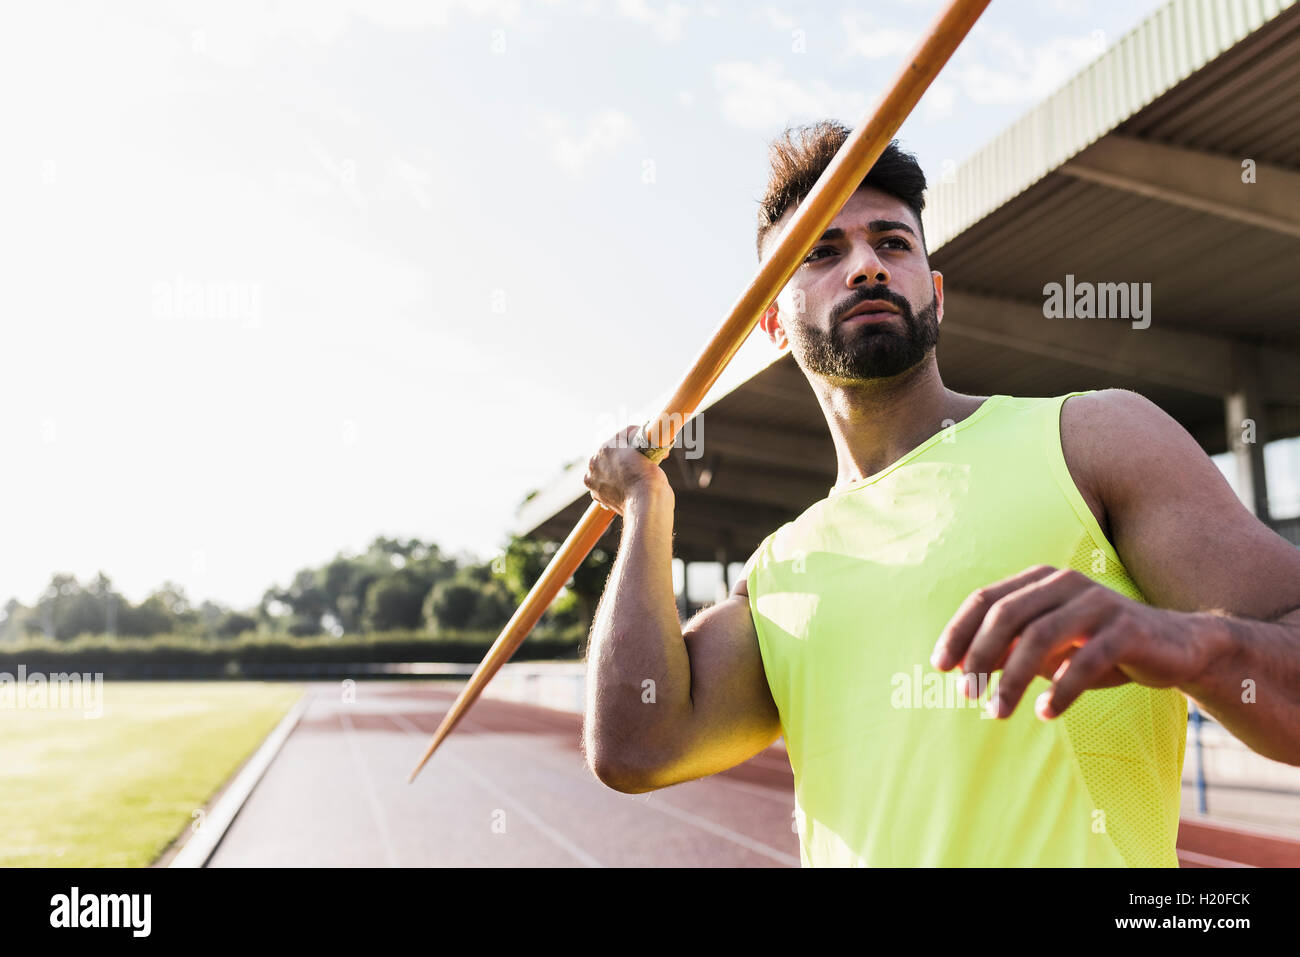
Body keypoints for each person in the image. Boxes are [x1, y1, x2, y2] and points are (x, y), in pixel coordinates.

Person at [580, 120, 1300, 866]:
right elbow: (636, 746)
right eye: (822, 252)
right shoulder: (779, 572)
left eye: (892, 242)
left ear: (937, 292)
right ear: (771, 321)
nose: (865, 266)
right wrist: (643, 510)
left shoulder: (1093, 438)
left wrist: (1189, 644)